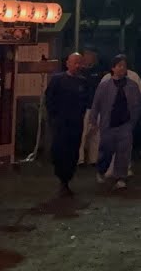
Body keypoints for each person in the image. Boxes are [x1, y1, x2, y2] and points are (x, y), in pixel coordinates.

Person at [91, 55, 141, 190]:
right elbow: (96, 104)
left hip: (125, 123)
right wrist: (93, 120)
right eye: (119, 65)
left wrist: (133, 120)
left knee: (124, 152)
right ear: (113, 68)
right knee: (106, 150)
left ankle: (121, 177)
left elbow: (139, 104)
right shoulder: (104, 85)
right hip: (108, 123)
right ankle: (101, 171)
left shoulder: (132, 85)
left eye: (124, 66)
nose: (121, 68)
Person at [45, 52, 91, 197]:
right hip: (61, 122)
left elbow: (85, 101)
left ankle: (67, 179)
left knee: (73, 152)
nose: (77, 65)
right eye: (74, 62)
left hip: (76, 122)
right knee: (60, 151)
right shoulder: (57, 80)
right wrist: (53, 117)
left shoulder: (83, 81)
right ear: (67, 63)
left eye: (79, 62)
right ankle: (61, 179)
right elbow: (49, 99)